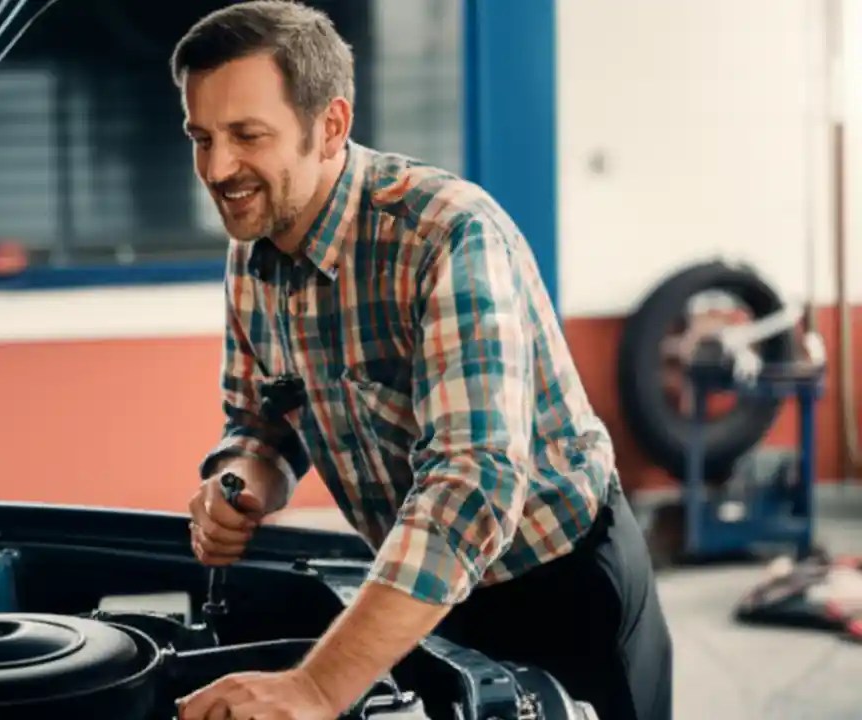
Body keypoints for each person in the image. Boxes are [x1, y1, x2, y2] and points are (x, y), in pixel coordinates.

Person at [172, 2, 673, 719]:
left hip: (559, 585)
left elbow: (470, 486)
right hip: (417, 590)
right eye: (201, 138)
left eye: (247, 136)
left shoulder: (445, 236)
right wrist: (242, 478)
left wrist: (316, 686)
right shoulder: (254, 251)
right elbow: (262, 419)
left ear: (331, 126)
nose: (218, 169)